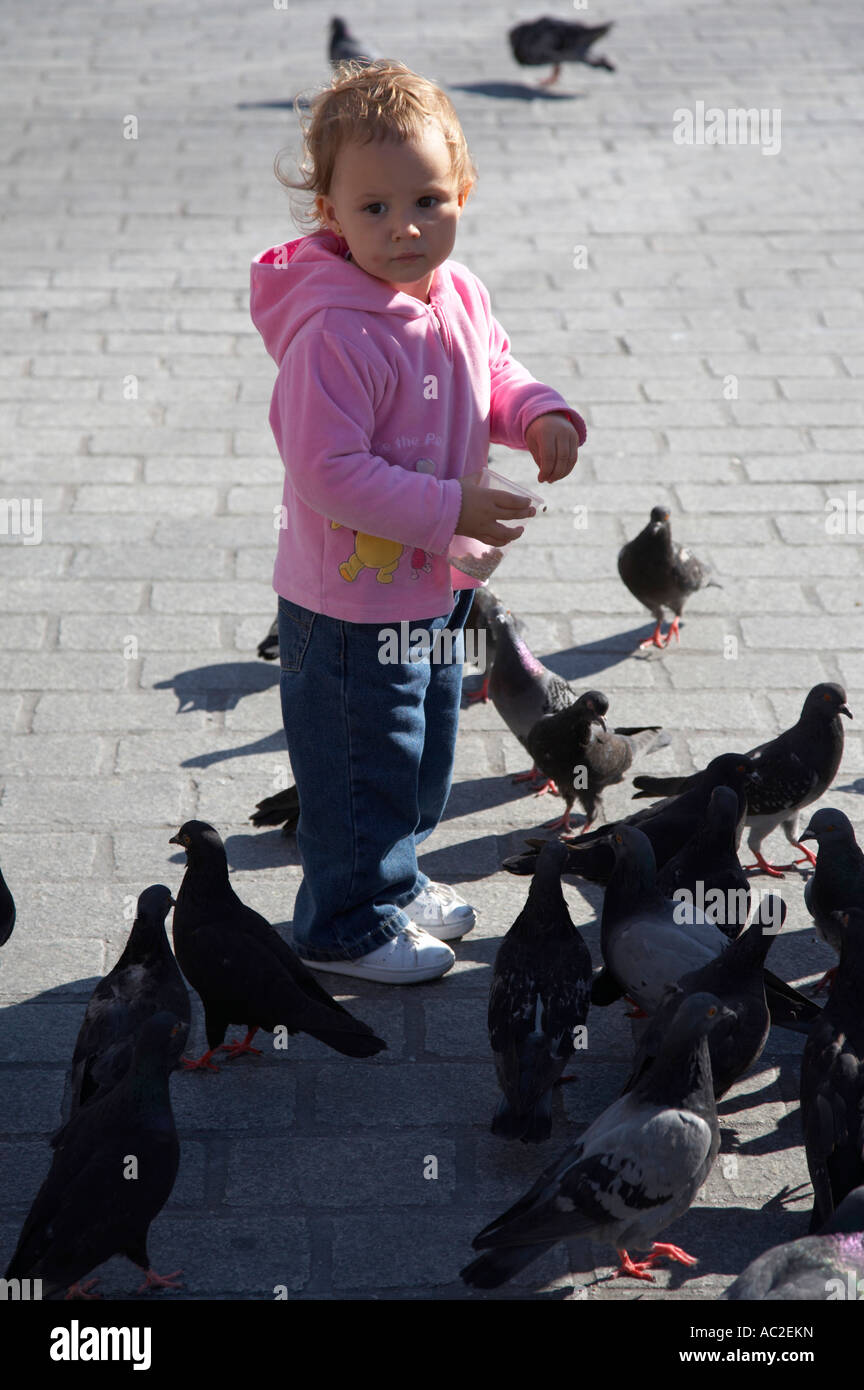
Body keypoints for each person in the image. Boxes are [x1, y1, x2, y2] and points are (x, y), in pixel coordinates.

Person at [250, 60, 585, 984]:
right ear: (329, 213)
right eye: (372, 209)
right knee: (362, 758)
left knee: (425, 738)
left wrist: (538, 414)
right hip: (348, 606)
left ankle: (391, 878)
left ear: (462, 194)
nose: (404, 227)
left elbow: (498, 372)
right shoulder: (335, 331)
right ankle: (344, 923)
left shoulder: (458, 291)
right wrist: (452, 508)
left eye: (427, 200)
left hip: (431, 586)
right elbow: (326, 472)